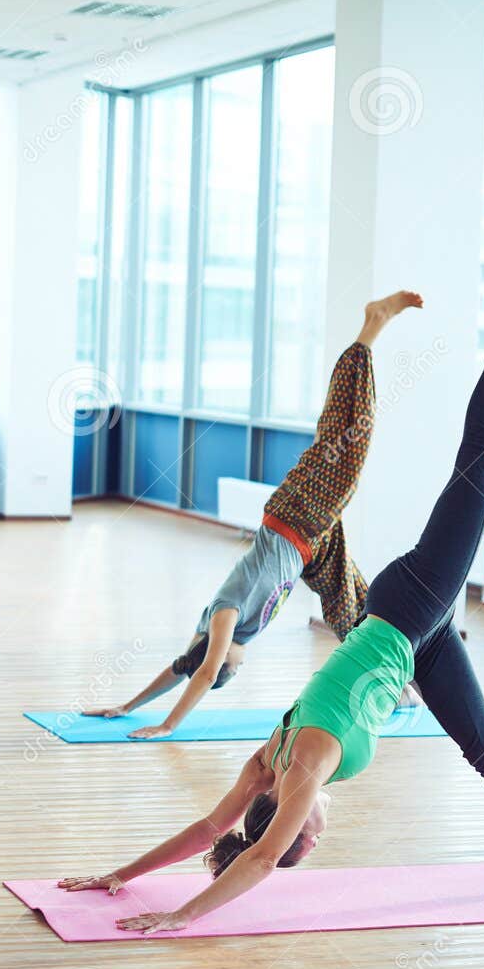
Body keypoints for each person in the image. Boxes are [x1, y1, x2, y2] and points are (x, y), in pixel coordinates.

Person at [60, 266, 484, 931]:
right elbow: (207, 831)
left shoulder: (304, 763)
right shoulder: (265, 763)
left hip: (410, 608)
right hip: (414, 643)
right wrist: (121, 876)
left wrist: (179, 919)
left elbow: (255, 860)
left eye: (306, 841)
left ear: (292, 825)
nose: (316, 837)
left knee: (482, 464)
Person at [84, 292, 424, 739]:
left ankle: (371, 328)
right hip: (310, 548)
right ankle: (398, 680)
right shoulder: (231, 635)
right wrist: (127, 706)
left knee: (348, 438)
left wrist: (167, 726)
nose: (235, 669)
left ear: (223, 656)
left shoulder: (224, 618)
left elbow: (202, 673)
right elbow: (185, 668)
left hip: (297, 517)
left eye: (230, 670)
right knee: (348, 606)